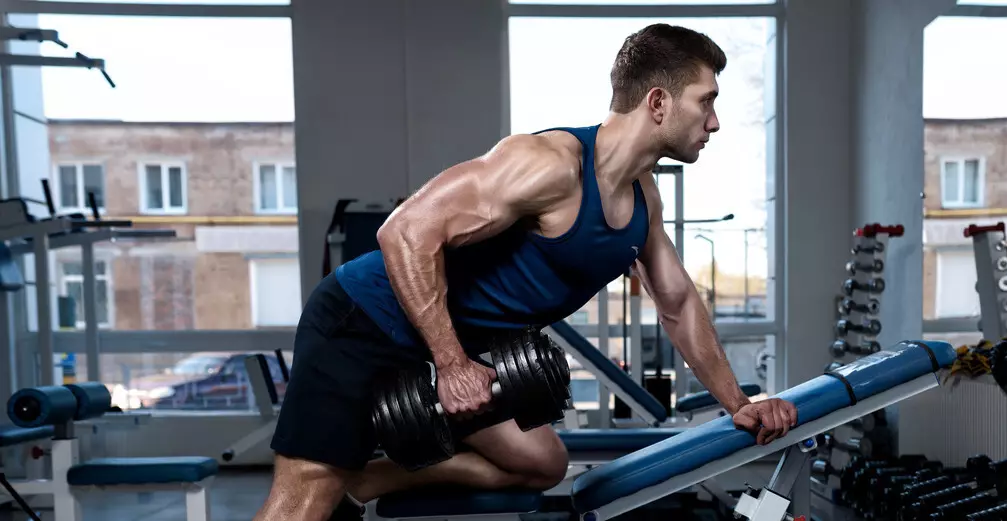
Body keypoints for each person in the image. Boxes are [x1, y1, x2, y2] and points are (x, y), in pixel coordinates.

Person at [253, 23, 799, 521]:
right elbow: (405, 232)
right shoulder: (548, 165)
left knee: (541, 463)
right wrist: (452, 363)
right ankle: (335, 474)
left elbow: (677, 304)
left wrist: (739, 405)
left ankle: (367, 480)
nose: (714, 121)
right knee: (306, 498)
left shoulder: (643, 199)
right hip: (363, 320)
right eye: (705, 101)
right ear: (658, 102)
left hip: (439, 348)